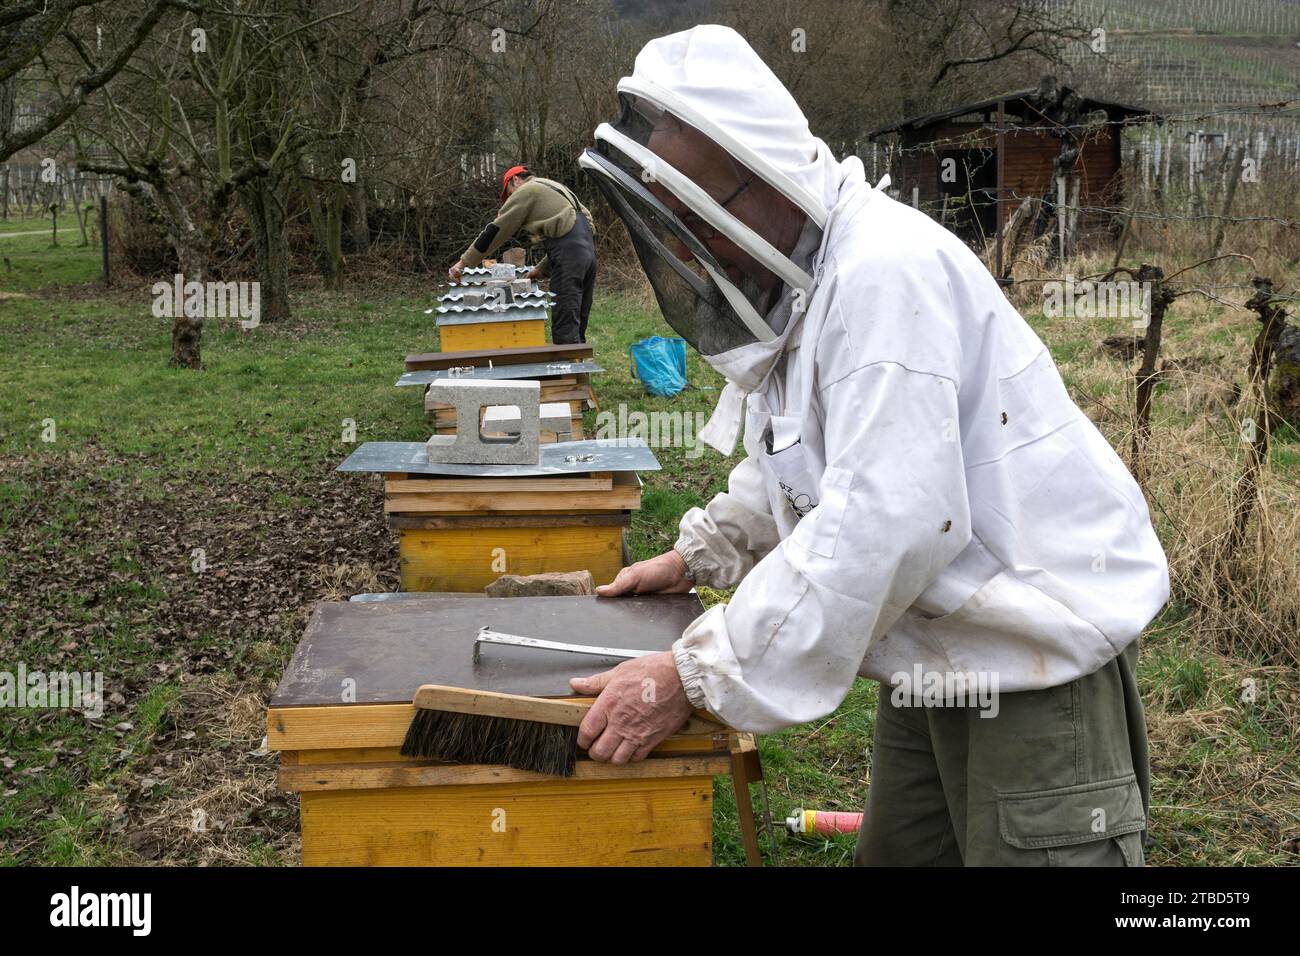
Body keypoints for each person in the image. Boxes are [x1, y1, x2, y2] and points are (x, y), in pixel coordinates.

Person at [569, 25, 1170, 866]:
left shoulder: (882, 272)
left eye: (705, 208)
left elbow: (889, 517)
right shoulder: (805, 288)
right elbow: (797, 459)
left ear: (764, 172)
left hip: (1034, 658)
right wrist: (701, 552)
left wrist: (695, 676)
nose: (698, 241)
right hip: (933, 654)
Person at [449, 165, 597, 344]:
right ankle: (579, 368)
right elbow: (574, 233)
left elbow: (496, 230)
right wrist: (541, 269)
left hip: (571, 256)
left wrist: (463, 262)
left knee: (565, 324)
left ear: (516, 180)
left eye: (510, 193)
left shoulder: (526, 190)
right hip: (588, 255)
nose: (511, 198)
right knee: (578, 319)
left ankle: (568, 370)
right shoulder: (553, 186)